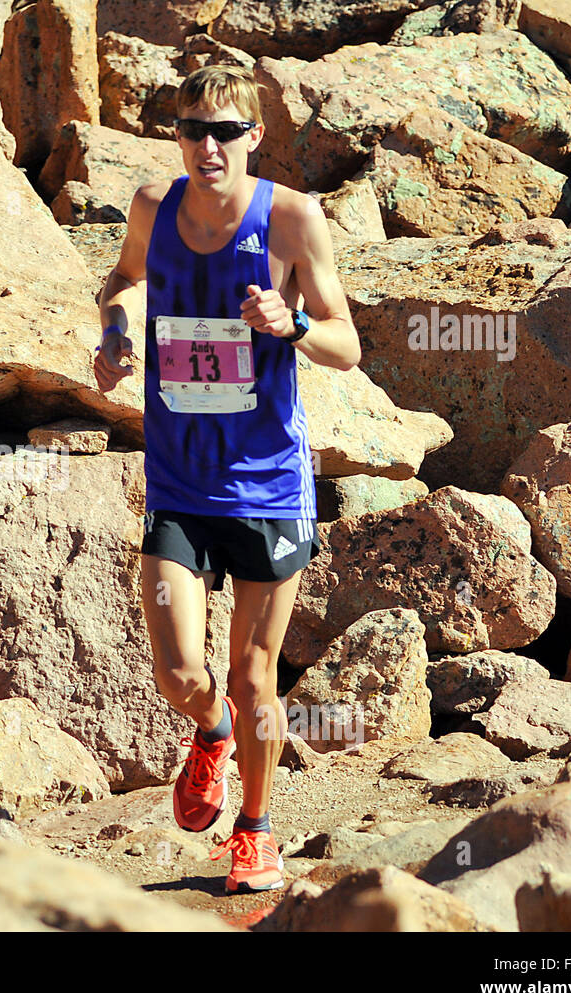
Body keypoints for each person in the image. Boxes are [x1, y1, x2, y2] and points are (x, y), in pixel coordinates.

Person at [93, 64, 361, 894]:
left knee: (254, 676)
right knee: (180, 673)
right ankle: (208, 732)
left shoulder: (291, 218)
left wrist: (296, 323)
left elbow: (349, 344)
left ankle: (255, 829)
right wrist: (112, 332)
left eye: (225, 131)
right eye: (191, 130)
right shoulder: (152, 207)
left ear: (255, 137)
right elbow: (122, 280)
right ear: (176, 136)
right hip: (178, 477)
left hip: (267, 483)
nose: (206, 146)